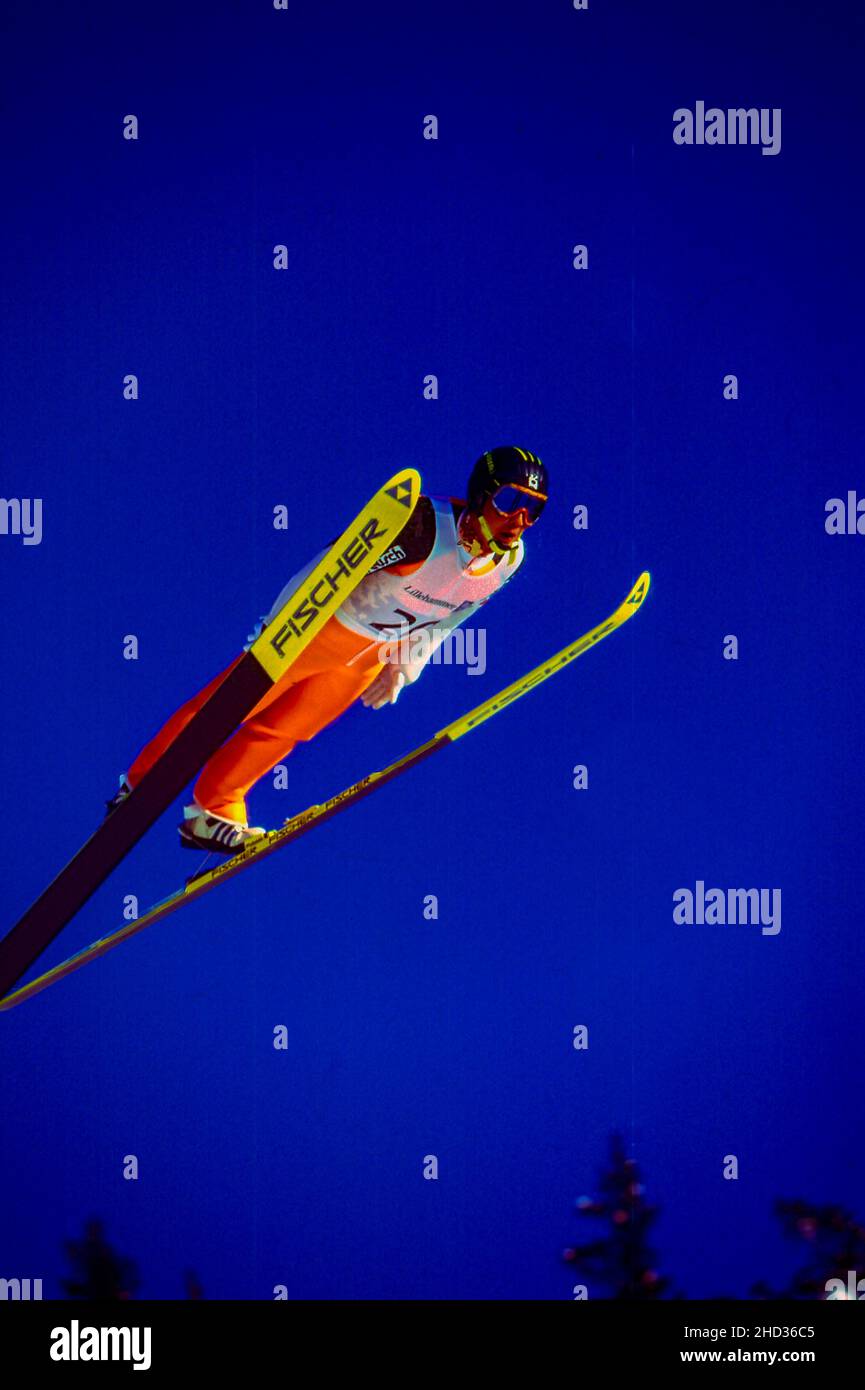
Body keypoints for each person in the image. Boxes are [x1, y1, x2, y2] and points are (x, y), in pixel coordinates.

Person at [105, 446, 548, 855]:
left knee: (287, 731)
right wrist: (280, 624)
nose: (521, 519)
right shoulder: (423, 526)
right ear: (481, 493)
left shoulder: (510, 561)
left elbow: (453, 616)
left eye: (534, 509)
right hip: (321, 632)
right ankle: (142, 782)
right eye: (512, 501)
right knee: (224, 708)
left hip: (367, 658)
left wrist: (404, 666)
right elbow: (330, 567)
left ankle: (214, 811)